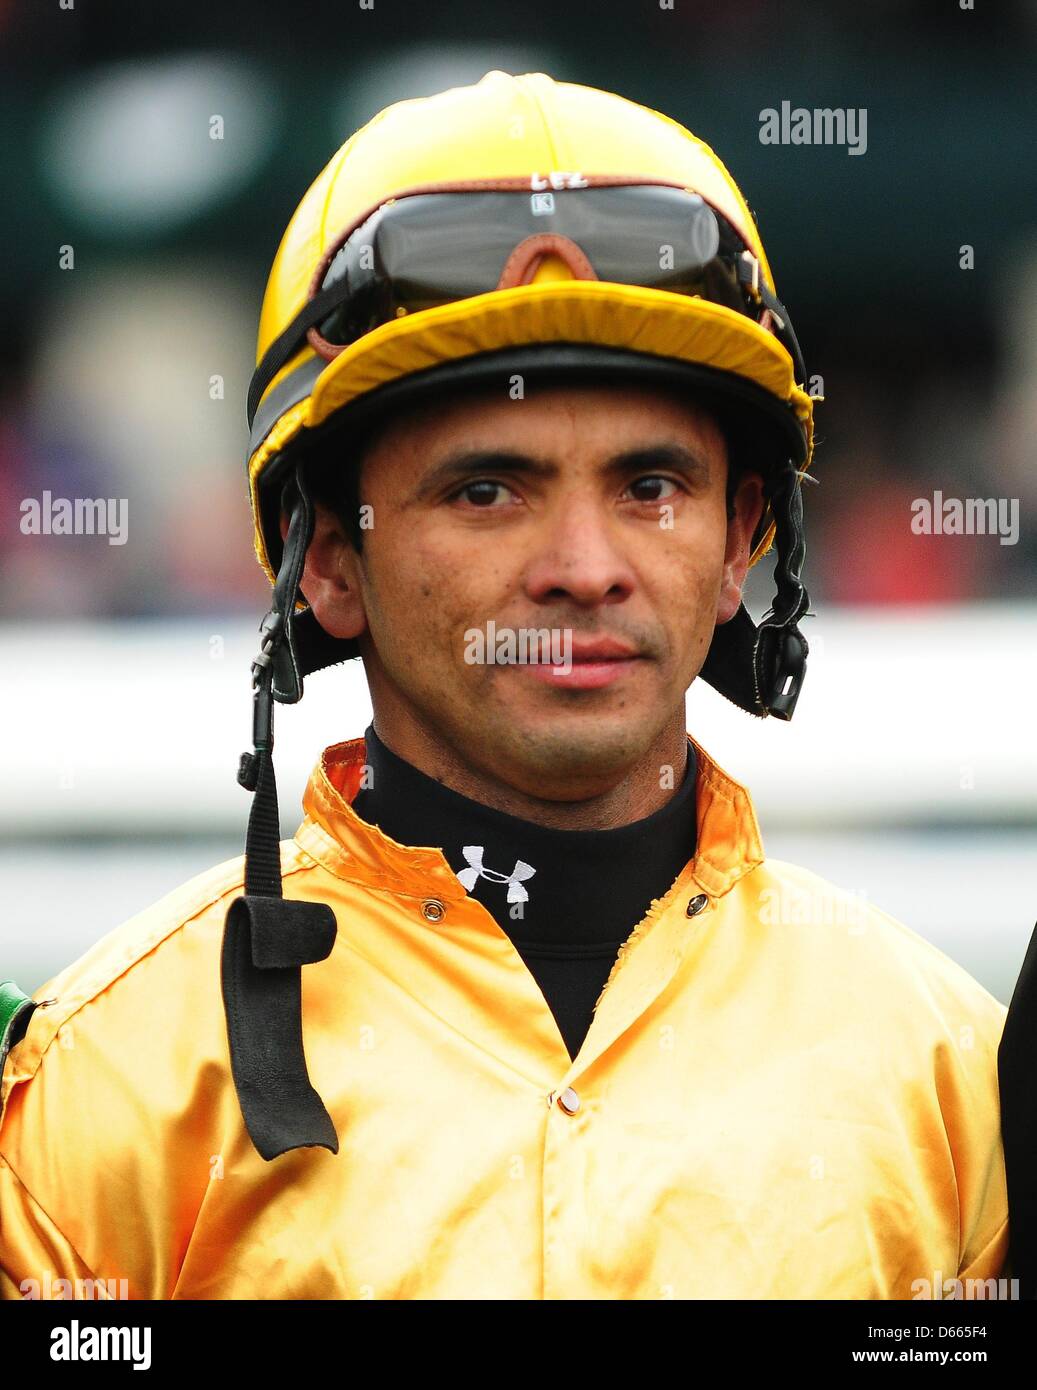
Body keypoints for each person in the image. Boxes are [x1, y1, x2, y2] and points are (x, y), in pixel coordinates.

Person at [0, 70, 1008, 1300]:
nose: (585, 571)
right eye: (486, 491)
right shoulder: (90, 1092)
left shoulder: (959, 1080)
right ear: (327, 561)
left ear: (742, 534)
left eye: (651, 487)